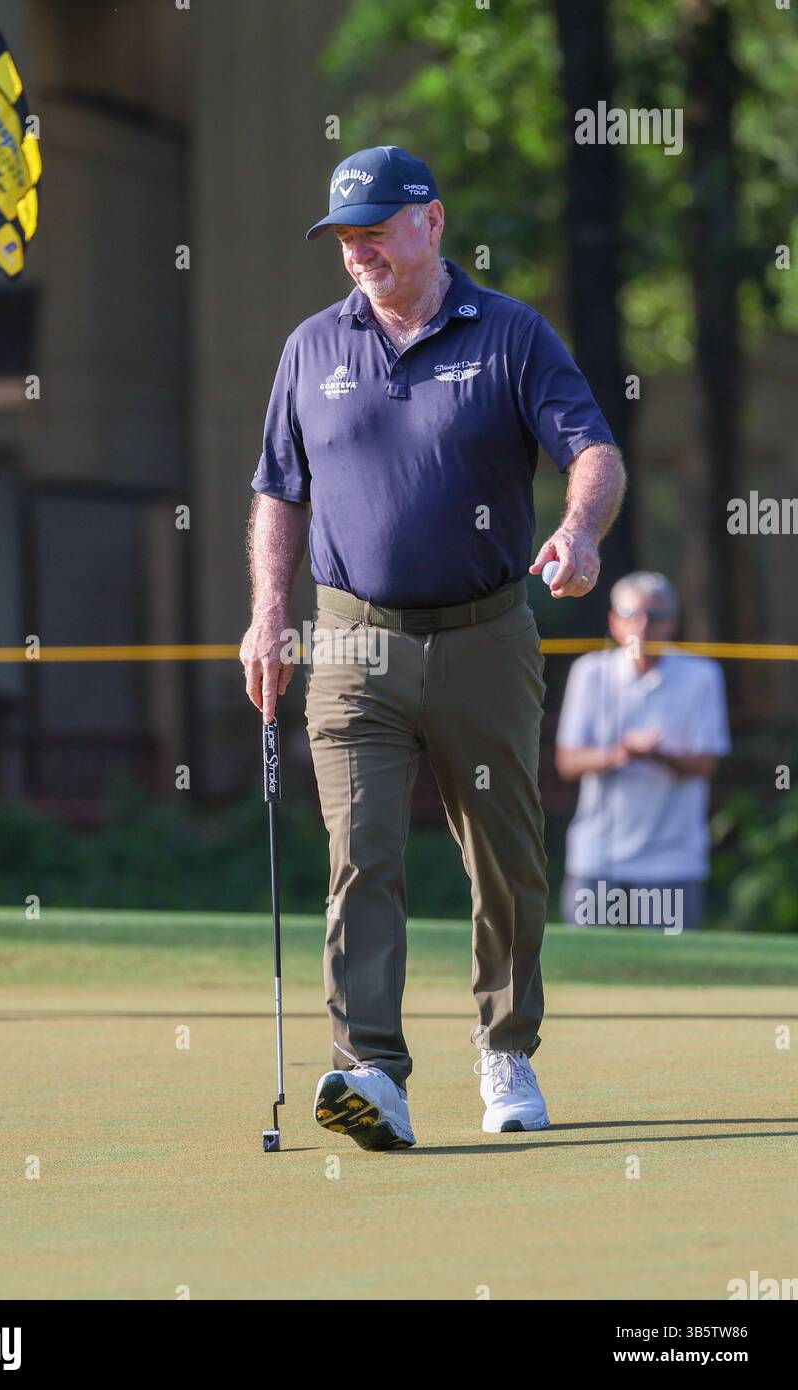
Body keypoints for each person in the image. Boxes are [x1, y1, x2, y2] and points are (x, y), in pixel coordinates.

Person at [240, 145, 625, 1148]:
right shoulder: (309, 349)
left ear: (431, 222)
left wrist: (579, 532)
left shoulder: (508, 334)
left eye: (376, 228)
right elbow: (279, 490)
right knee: (360, 854)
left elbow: (592, 449)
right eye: (345, 235)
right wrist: (266, 614)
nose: (359, 248)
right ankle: (369, 1069)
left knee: (504, 859)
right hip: (351, 645)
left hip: (483, 637)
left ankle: (506, 1047)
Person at [556, 572, 730, 932]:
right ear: (614, 621)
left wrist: (657, 754)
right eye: (633, 614)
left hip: (673, 859)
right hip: (597, 857)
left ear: (673, 623)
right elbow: (569, 762)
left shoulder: (702, 675)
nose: (645, 625)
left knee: (670, 980)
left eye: (658, 616)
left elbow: (705, 764)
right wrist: (621, 753)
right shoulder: (590, 673)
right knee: (586, 976)